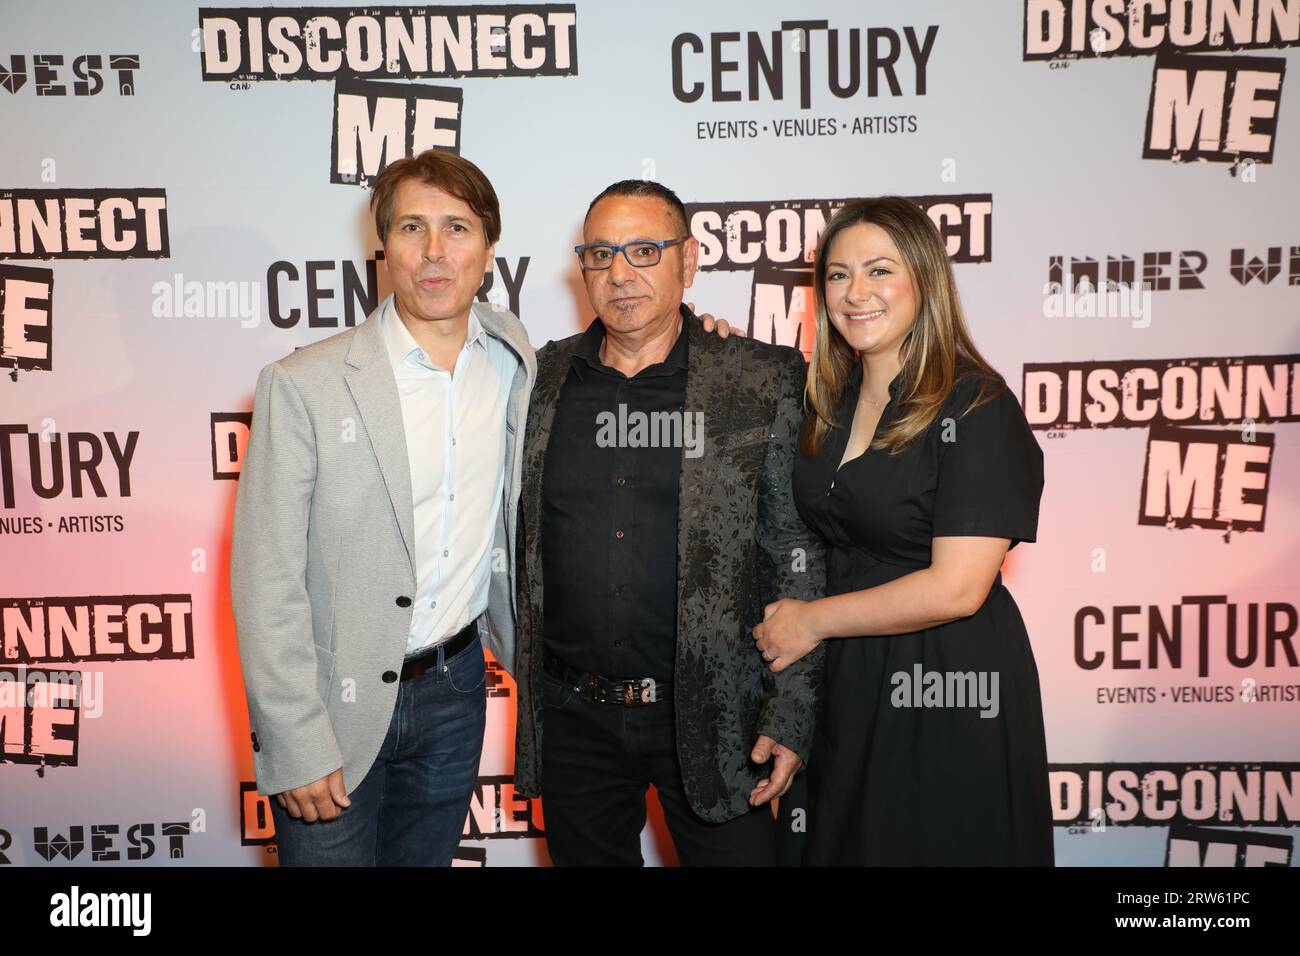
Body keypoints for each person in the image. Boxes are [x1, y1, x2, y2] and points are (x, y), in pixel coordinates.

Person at [230, 150, 535, 866]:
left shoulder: (515, 359)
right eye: (411, 228)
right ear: (383, 248)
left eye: (457, 228)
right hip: (332, 704)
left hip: (458, 689)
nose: (435, 252)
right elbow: (265, 576)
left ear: (489, 251)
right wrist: (295, 738)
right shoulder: (304, 385)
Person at [511, 180, 825, 866]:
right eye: (600, 254)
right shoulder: (535, 382)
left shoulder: (758, 378)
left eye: (645, 251)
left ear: (688, 262)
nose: (620, 274)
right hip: (575, 720)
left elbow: (795, 552)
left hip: (718, 713)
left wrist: (791, 709)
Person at [753, 197, 1054, 865]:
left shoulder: (977, 405)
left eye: (879, 271)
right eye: (837, 275)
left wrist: (812, 621)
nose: (855, 293)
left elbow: (958, 588)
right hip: (846, 684)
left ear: (924, 279)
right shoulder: (824, 399)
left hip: (946, 683)